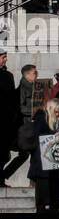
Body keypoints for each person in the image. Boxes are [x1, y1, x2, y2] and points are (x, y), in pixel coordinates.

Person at [0, 51, 17, 186]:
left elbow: (12, 97)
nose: (6, 59)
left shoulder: (8, 75)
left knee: (5, 153)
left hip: (6, 120)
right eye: (3, 57)